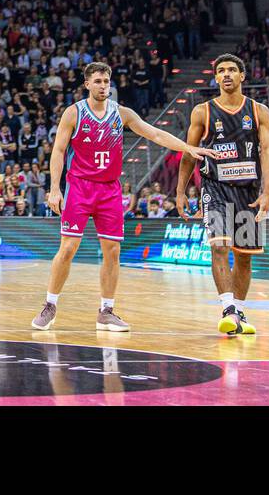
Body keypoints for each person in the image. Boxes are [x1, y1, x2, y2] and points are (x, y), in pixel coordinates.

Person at [31, 62, 216, 332]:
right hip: (79, 186)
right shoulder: (74, 113)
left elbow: (154, 133)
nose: (103, 86)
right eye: (97, 81)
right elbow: (58, 151)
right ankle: (50, 304)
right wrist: (55, 189)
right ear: (87, 84)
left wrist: (188, 147)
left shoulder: (122, 113)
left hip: (109, 189)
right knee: (68, 249)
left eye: (106, 81)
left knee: (113, 251)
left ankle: (106, 311)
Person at [176, 53, 269, 336]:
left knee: (244, 256)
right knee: (219, 247)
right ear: (216, 78)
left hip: (249, 191)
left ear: (242, 76)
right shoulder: (202, 112)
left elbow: (268, 151)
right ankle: (228, 308)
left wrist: (268, 192)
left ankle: (239, 314)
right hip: (215, 188)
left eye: (232, 70)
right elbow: (188, 154)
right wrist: (181, 191)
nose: (227, 74)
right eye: (221, 71)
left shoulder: (259, 111)